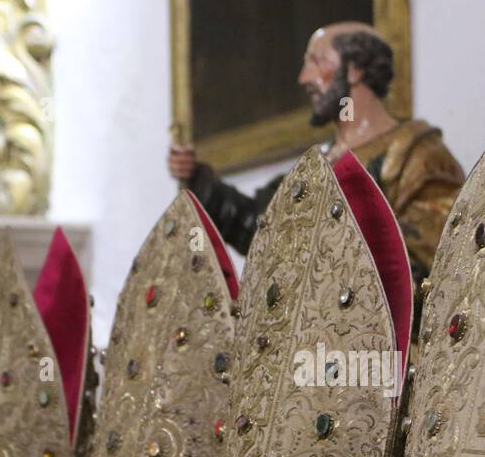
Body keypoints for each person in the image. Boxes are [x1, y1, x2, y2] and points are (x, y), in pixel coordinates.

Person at [168, 21, 464, 285]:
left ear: (355, 70)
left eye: (316, 62)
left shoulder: (415, 153)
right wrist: (197, 178)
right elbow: (261, 228)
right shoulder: (318, 164)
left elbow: (436, 259)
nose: (303, 78)